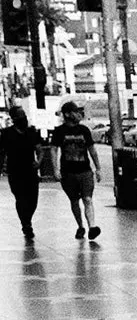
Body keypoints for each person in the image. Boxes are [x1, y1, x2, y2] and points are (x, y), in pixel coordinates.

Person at [50, 101, 101, 241]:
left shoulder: (84, 130)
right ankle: (80, 226)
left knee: (87, 198)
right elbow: (53, 150)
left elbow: (92, 150)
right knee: (74, 200)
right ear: (67, 114)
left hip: (85, 171)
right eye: (75, 111)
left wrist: (98, 168)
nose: (78, 114)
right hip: (68, 172)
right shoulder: (59, 131)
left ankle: (92, 227)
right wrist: (55, 169)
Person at [0, 104, 43, 241]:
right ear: (13, 118)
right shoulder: (6, 133)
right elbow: (2, 152)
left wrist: (39, 161)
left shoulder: (31, 132)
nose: (23, 117)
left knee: (33, 201)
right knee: (20, 198)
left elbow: (39, 149)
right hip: (15, 172)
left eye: (24, 114)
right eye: (20, 115)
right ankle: (26, 224)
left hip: (30, 171)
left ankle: (27, 219)